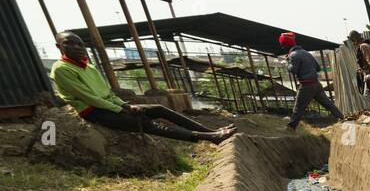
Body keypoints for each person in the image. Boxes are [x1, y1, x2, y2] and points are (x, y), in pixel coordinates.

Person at [48, 32, 234, 144]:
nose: (77, 47)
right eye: (69, 43)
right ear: (59, 46)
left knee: (159, 109)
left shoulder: (88, 66)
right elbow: (91, 99)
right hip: (93, 111)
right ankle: (208, 138)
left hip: (109, 105)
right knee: (145, 123)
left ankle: (208, 130)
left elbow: (107, 94)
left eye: (79, 43)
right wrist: (121, 109)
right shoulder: (62, 69)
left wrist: (127, 106)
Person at [281, 32, 343, 129]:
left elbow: (293, 70)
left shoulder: (293, 55)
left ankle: (290, 127)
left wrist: (287, 62)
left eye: (282, 45)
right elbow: (318, 68)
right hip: (316, 84)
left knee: (298, 108)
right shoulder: (306, 53)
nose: (282, 47)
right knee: (329, 105)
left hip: (306, 86)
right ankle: (343, 119)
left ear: (286, 45)